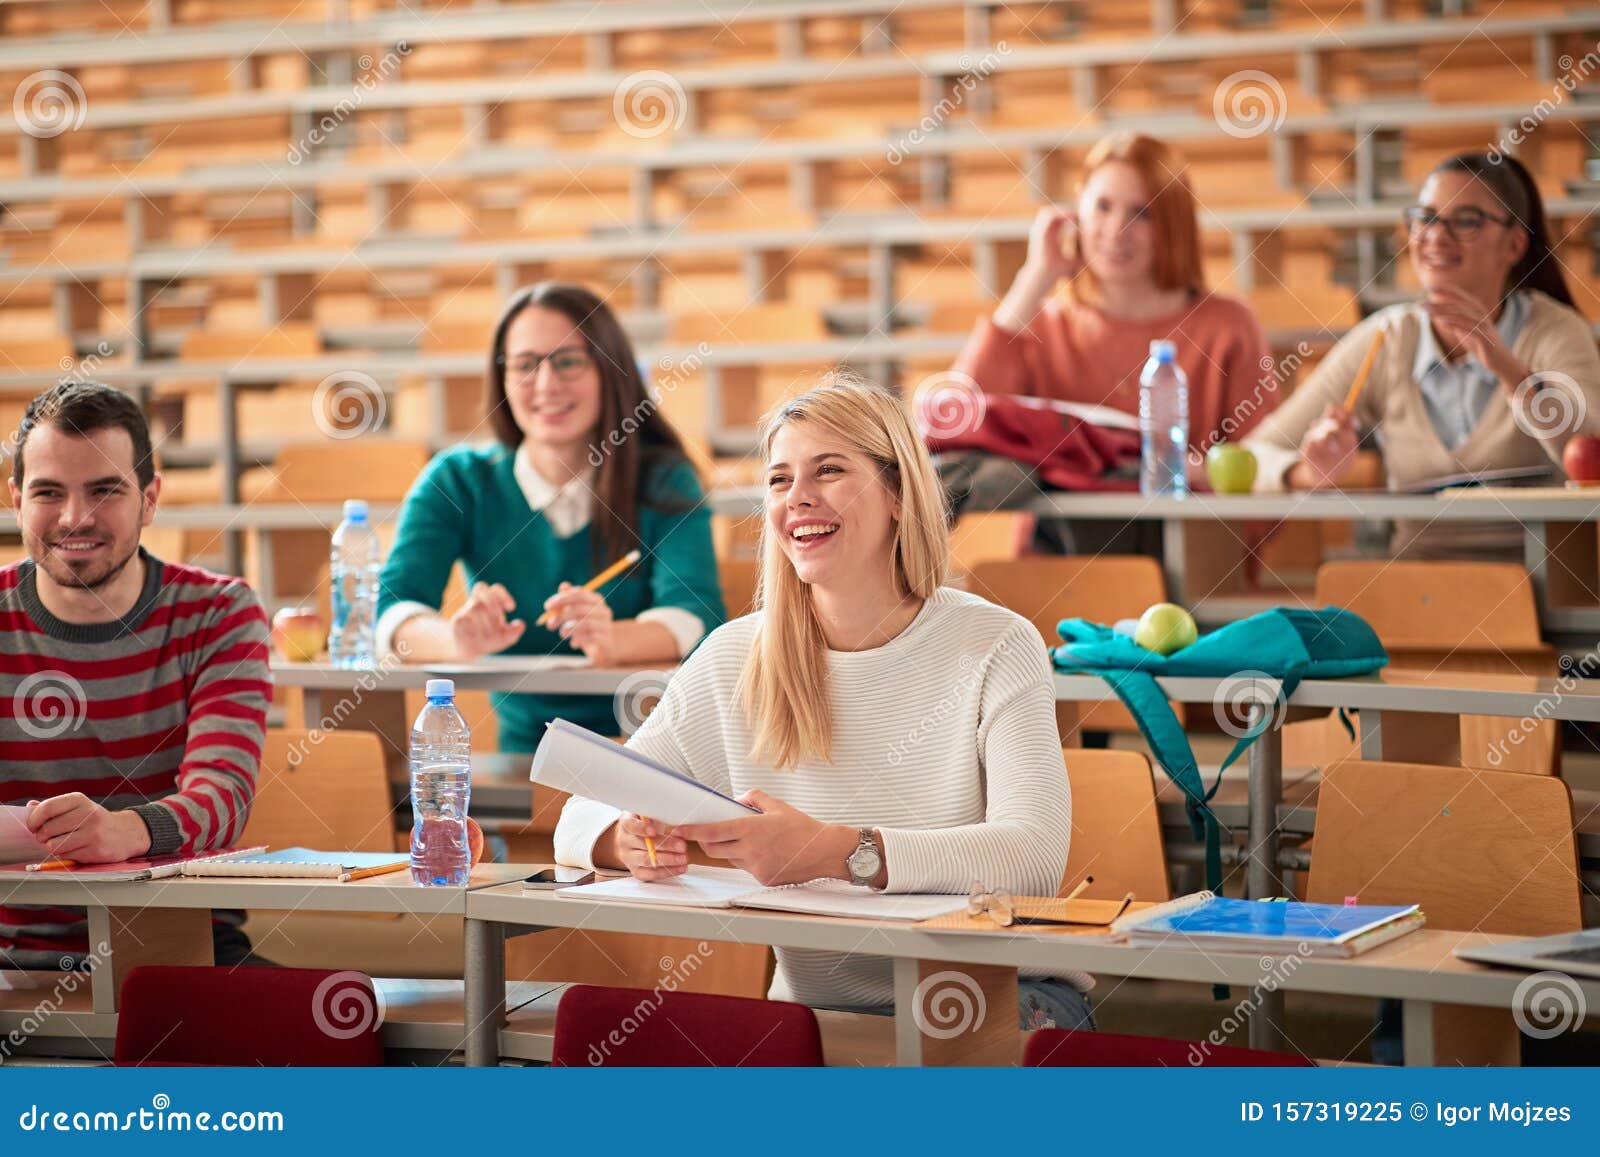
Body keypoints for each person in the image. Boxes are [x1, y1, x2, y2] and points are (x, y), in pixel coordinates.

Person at [554, 376, 1092, 1031]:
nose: (798, 497)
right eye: (779, 480)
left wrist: (834, 851)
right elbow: (583, 807)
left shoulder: (997, 643)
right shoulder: (735, 655)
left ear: (898, 494)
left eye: (829, 470)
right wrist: (622, 840)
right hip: (815, 1016)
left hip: (1001, 995)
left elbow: (1032, 860)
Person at [377, 282, 726, 752]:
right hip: (521, 759)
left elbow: (696, 617)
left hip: (649, 752)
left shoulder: (664, 479)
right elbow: (393, 613)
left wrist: (613, 639)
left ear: (609, 369)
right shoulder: (457, 480)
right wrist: (457, 641)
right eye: (525, 365)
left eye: (567, 361)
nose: (545, 385)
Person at [0, 382, 271, 970]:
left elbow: (223, 796)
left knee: (342, 1020)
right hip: (10, 958)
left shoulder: (218, 613)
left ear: (149, 500)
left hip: (181, 948)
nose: (76, 517)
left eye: (105, 491)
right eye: (49, 492)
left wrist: (127, 831)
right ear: (17, 501)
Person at [1244, 152, 1600, 558]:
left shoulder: (1555, 331)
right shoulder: (1387, 338)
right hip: (1416, 583)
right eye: (1426, 218)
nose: (1436, 236)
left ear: (1515, 244)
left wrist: (1509, 371)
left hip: (1539, 584)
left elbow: (1592, 453)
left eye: (1466, 221)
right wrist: (1307, 473)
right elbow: (1252, 455)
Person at [953, 131, 1273, 524]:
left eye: (1142, 214)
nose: (1117, 229)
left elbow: (1266, 474)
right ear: (1078, 211)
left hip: (1189, 542)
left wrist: (1204, 479)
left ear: (1172, 226)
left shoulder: (1229, 326)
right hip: (1060, 549)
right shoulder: (1042, 324)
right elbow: (954, 421)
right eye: (1103, 207)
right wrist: (1035, 277)